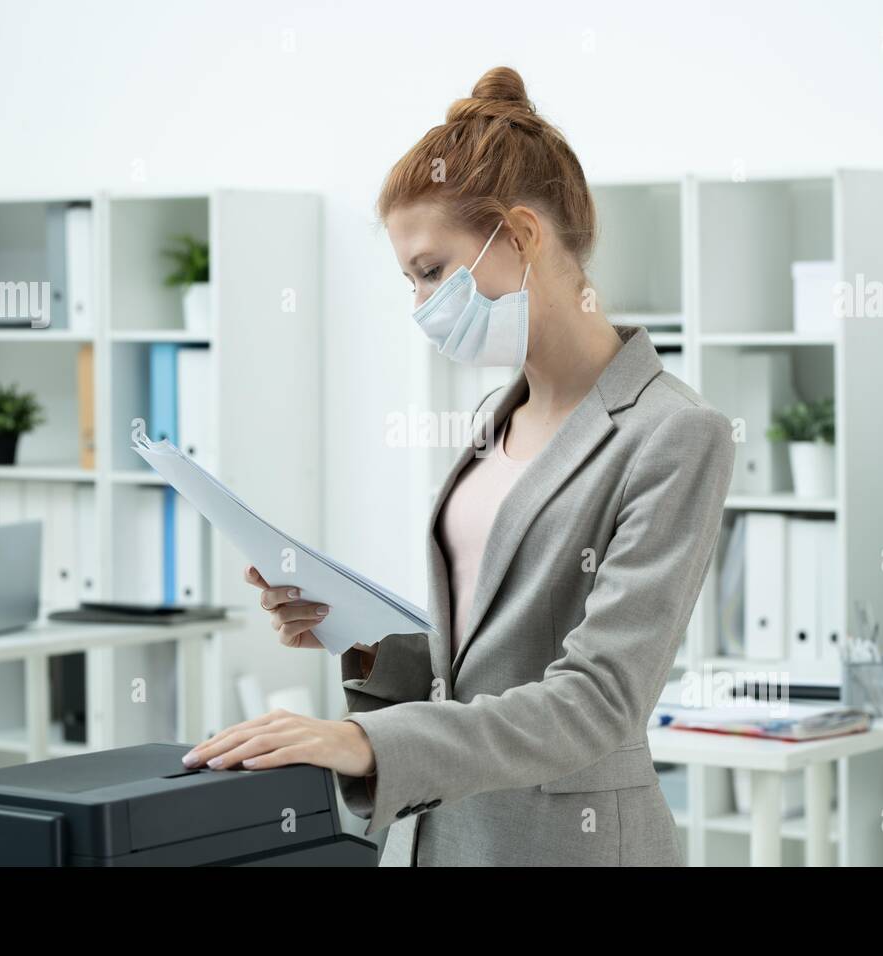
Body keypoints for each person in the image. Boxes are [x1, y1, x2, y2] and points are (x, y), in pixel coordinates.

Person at [183, 65, 735, 866]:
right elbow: (478, 665)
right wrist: (355, 638)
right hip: (443, 835)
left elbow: (599, 700)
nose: (421, 307)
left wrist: (360, 739)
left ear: (517, 235)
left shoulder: (674, 433)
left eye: (432, 271)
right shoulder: (494, 417)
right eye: (410, 281)